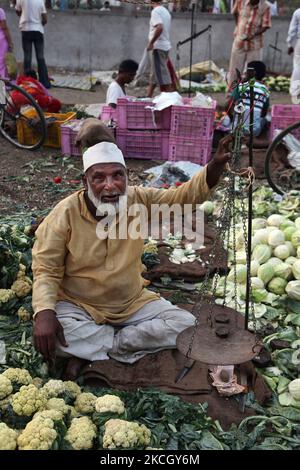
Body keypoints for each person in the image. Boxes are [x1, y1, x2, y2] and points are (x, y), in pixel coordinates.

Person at [32, 125, 232, 379]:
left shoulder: (139, 199)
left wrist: (214, 166)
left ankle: (97, 350)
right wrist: (44, 313)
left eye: (117, 176)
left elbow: (183, 198)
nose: (110, 186)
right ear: (85, 181)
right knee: (56, 331)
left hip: (131, 303)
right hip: (79, 304)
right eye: (99, 178)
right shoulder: (64, 214)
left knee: (185, 326)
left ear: (127, 177)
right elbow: (46, 269)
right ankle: (114, 346)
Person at [227, 0, 271, 90]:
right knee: (234, 72)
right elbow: (235, 13)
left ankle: (251, 97)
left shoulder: (265, 6)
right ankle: (231, 99)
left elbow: (266, 25)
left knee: (254, 72)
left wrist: (253, 34)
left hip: (255, 44)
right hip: (239, 42)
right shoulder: (240, 1)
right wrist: (238, 27)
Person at [15, 0, 51, 88]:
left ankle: (27, 82)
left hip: (25, 30)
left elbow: (17, 10)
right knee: (40, 57)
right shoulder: (40, 1)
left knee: (27, 57)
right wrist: (40, 23)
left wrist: (23, 15)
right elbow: (45, 19)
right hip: (38, 30)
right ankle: (44, 83)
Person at [231, 60, 270, 137]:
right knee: (266, 120)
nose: (244, 73)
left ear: (252, 73)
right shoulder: (265, 89)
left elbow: (228, 106)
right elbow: (264, 113)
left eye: (247, 71)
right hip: (254, 131)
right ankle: (257, 139)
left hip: (236, 128)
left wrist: (233, 117)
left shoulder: (241, 86)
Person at [147, 0, 173, 98]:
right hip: (164, 46)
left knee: (163, 76)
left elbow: (160, 27)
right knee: (155, 74)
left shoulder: (155, 12)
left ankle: (170, 100)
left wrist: (151, 43)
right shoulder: (165, 11)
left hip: (158, 47)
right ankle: (148, 96)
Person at [287, 8, 300, 104]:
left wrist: (290, 44)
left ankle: (295, 93)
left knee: (298, 66)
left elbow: (292, 30)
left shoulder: (298, 12)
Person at [0, 7, 14, 79]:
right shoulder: (0, 11)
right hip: (1, 39)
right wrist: (10, 42)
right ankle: (3, 83)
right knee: (2, 62)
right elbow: (4, 27)